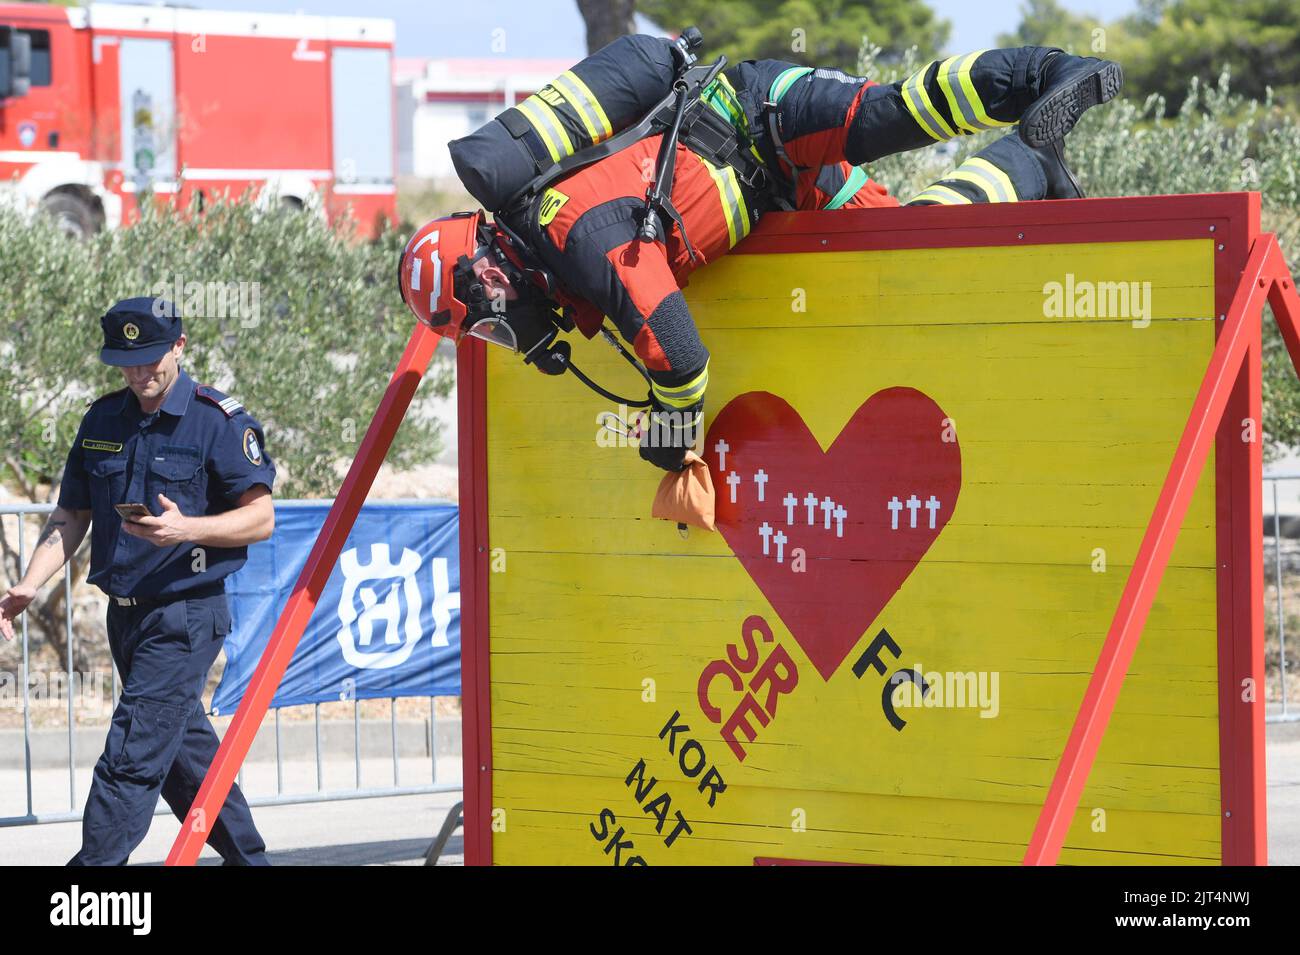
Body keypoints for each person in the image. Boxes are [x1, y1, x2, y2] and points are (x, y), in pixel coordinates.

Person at [397, 41, 1122, 471]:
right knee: (916, 252)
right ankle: (1032, 165)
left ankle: (1048, 72)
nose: (506, 338)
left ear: (489, 275)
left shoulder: (578, 241)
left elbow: (681, 359)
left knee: (890, 116)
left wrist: (671, 432)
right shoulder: (566, 265)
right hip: (776, 191)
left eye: (487, 325)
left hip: (758, 114)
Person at [0, 297, 277, 865]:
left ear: (179, 346)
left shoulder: (216, 420)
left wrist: (187, 530)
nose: (140, 374)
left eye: (151, 360)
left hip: (185, 615)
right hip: (124, 615)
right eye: (127, 363)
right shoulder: (102, 419)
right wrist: (30, 584)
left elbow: (261, 517)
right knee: (184, 757)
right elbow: (70, 515)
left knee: (130, 757)